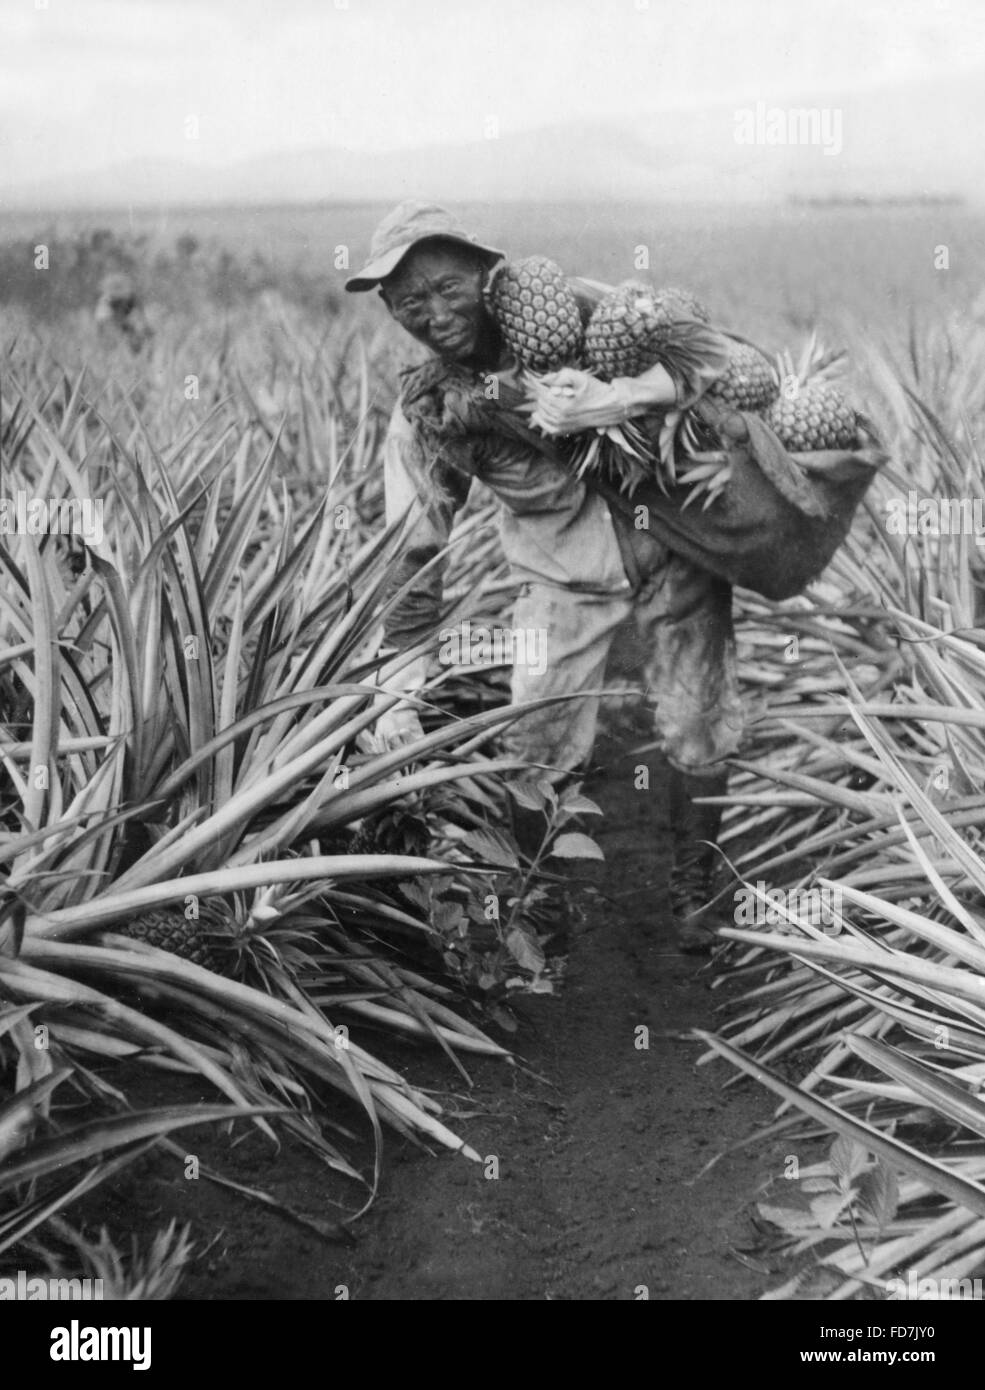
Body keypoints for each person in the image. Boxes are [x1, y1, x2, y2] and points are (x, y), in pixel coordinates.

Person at [345, 202, 745, 952]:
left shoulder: (584, 314)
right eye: (408, 304)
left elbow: (720, 359)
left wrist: (616, 395)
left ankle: (699, 887)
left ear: (487, 275)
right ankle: (542, 903)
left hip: (676, 550)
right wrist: (399, 674)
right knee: (536, 737)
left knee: (698, 720)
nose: (431, 314)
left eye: (446, 289)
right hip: (561, 579)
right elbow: (414, 543)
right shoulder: (428, 410)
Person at [94, 271, 152, 352]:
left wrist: (144, 327)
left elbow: (141, 316)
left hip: (124, 319)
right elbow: (102, 321)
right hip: (114, 321)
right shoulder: (106, 303)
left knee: (137, 332)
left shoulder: (132, 299)